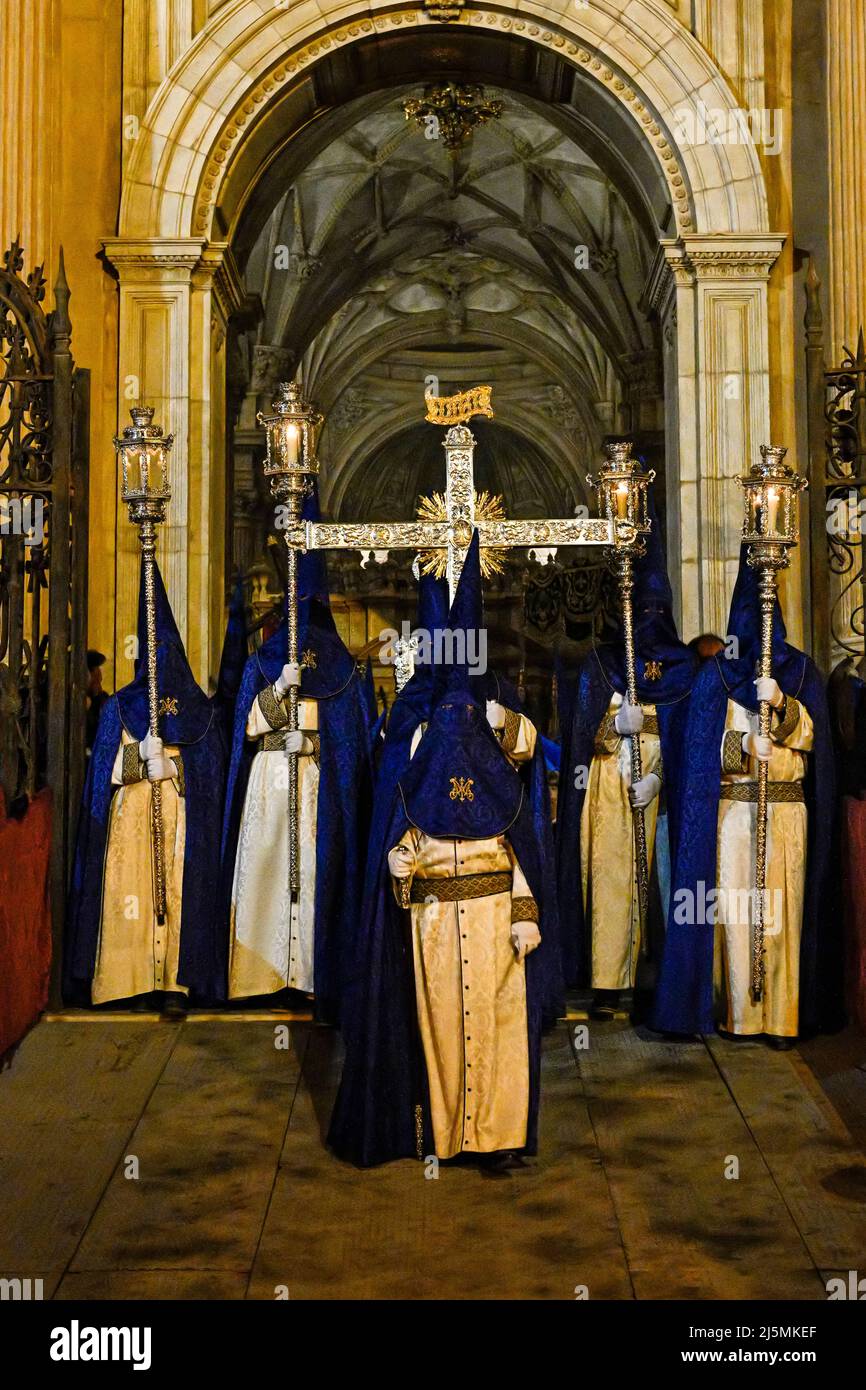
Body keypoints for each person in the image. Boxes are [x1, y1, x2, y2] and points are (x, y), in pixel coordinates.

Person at [329, 532, 558, 1167]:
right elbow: (394, 788)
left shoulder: (496, 703)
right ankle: (442, 1129)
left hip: (491, 902)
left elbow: (529, 759)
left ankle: (498, 1136)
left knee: (497, 1022)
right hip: (430, 909)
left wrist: (499, 726)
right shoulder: (409, 715)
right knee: (440, 1026)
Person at [654, 546, 840, 1045]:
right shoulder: (716, 676)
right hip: (734, 812)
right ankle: (738, 1013)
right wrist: (740, 746)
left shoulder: (800, 674)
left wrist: (781, 709)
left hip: (786, 812)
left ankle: (782, 1017)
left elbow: (814, 741)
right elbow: (697, 753)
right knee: (737, 916)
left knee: (783, 913)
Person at [221, 492, 372, 1023]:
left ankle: (310, 973)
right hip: (269, 780)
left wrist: (308, 743)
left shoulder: (343, 668)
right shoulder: (266, 659)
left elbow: (352, 741)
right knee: (265, 869)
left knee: (313, 873)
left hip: (315, 785)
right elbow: (242, 726)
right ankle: (261, 972)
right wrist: (273, 694)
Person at [66, 562, 227, 1016]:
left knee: (178, 892)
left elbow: (211, 770)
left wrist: (174, 766)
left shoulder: (198, 707)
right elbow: (106, 773)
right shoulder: (120, 705)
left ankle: (177, 985)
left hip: (180, 820)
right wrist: (139, 761)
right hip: (130, 820)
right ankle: (128, 978)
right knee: (128, 894)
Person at [555, 501, 697, 1018]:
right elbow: (579, 734)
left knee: (658, 882)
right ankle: (607, 984)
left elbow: (692, 743)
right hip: (608, 791)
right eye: (645, 610)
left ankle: (656, 980)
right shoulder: (603, 662)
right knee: (612, 882)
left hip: (658, 795)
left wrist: (659, 778)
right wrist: (614, 726)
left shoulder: (684, 668)